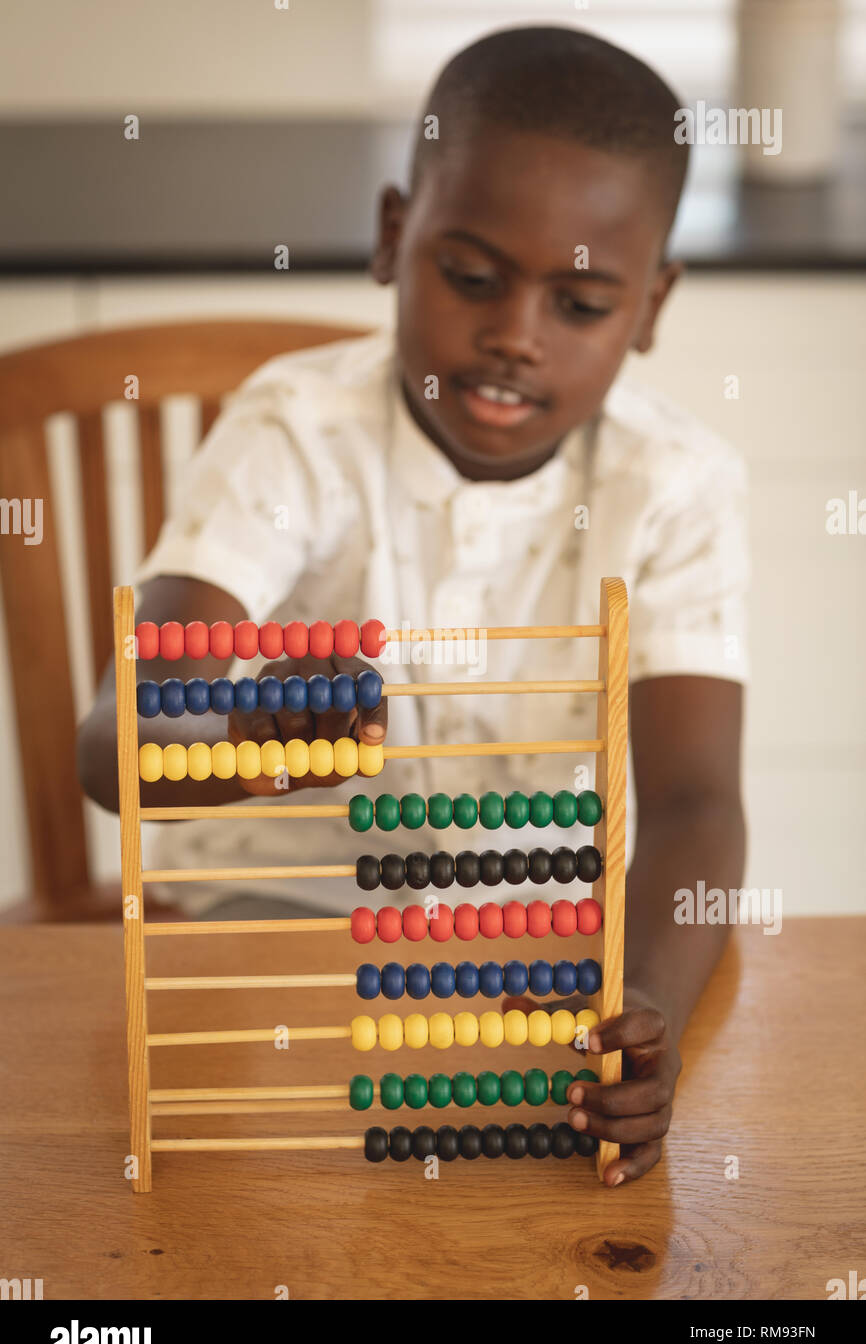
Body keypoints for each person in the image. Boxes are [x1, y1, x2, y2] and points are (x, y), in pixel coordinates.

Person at [78, 27, 748, 1185]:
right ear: (394, 236)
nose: (513, 334)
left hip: (539, 950)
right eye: (473, 277)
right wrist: (233, 739)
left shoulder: (676, 486)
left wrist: (640, 1002)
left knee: (531, 1207)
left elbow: (693, 804)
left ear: (650, 304)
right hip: (278, 917)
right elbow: (112, 748)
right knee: (251, 1199)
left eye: (581, 302)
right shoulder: (295, 433)